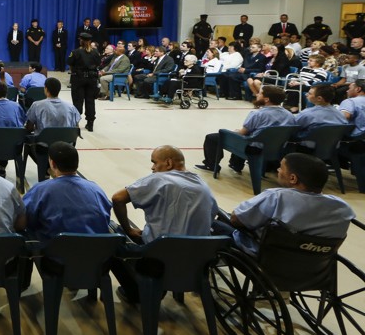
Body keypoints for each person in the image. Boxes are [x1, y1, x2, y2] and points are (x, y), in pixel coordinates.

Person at [110, 146, 218, 302]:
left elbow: (117, 198)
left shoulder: (159, 179)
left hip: (157, 262)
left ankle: (136, 292)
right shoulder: (202, 184)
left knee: (110, 233)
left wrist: (128, 229)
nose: (152, 167)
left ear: (168, 163)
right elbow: (212, 215)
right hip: (195, 262)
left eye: (154, 162)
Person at [225, 153, 355, 256]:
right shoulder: (343, 209)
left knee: (218, 222)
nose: (278, 170)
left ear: (293, 178)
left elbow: (236, 219)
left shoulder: (276, 197)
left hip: (269, 258)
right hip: (314, 265)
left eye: (281, 167)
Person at [23, 141, 111, 243]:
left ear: (52, 163)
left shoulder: (40, 190)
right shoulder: (97, 190)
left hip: (54, 254)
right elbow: (105, 219)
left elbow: (25, 219)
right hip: (96, 253)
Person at [197, 85, 296, 173]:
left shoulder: (258, 114)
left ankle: (211, 165)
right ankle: (236, 164)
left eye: (260, 93)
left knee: (213, 137)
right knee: (252, 135)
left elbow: (242, 133)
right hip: (277, 149)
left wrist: (236, 132)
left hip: (254, 149)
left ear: (266, 99)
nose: (257, 94)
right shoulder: (289, 115)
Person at [67, 33, 101, 132]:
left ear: (81, 41)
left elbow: (69, 62)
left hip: (79, 78)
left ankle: (76, 123)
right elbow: (98, 63)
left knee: (78, 100)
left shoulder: (76, 52)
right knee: (90, 101)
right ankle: (90, 123)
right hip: (91, 79)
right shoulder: (95, 52)